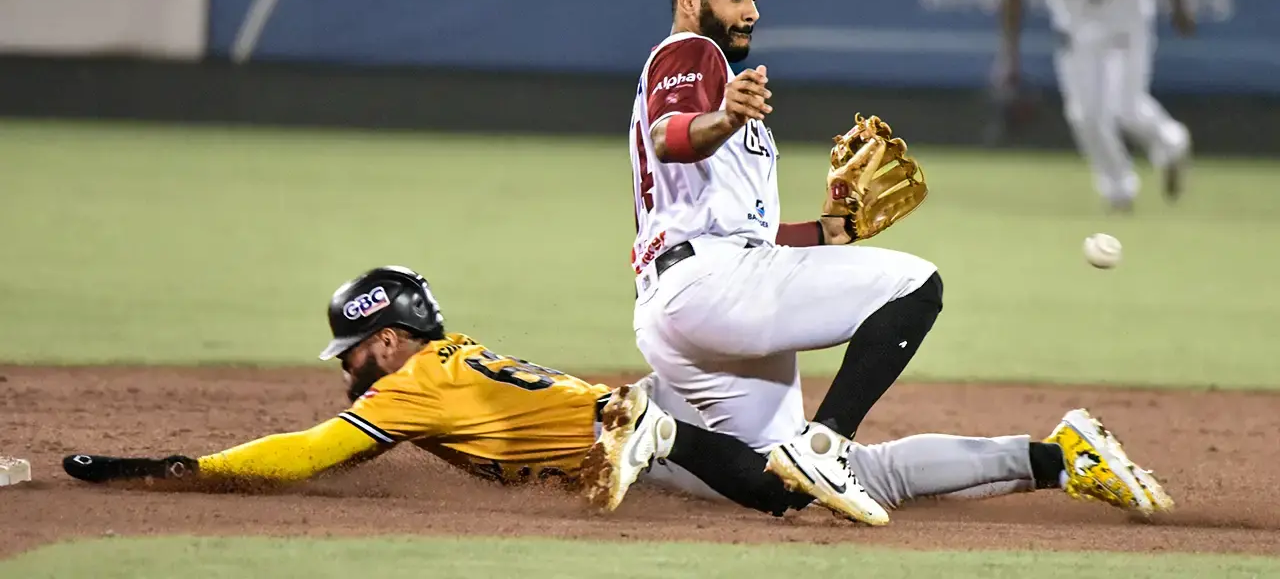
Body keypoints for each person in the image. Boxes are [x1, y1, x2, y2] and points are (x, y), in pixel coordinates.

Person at [60, 266, 1173, 521]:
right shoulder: (452, 363)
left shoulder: (408, 393)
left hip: (653, 422)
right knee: (852, 472)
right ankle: (1049, 453)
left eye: (353, 352)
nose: (349, 368)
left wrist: (174, 469)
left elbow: (307, 453)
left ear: (388, 341)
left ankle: (641, 431)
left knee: (791, 496)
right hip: (644, 396)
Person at [626, 0, 943, 525]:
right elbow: (669, 138)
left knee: (780, 483)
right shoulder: (691, 52)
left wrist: (825, 233)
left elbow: (745, 233)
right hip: (712, 283)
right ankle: (826, 446)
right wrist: (720, 118)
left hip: (693, 288)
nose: (751, 11)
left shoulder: (714, 77)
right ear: (690, 0)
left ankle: (640, 431)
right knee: (916, 286)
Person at [997, 0, 1194, 212]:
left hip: (1125, 14)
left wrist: (1178, 2)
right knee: (1084, 114)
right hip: (1075, 23)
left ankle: (1171, 142)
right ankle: (1118, 189)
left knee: (1126, 107)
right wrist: (1009, 55)